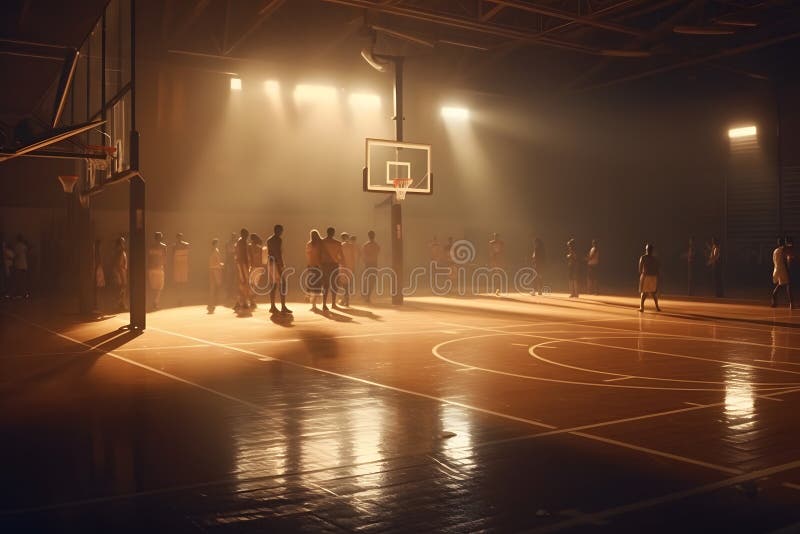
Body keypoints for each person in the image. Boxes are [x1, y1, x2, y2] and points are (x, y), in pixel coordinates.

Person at [266, 224, 292, 314]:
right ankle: (283, 306)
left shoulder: (269, 239)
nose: (282, 232)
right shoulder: (278, 240)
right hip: (275, 263)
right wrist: (281, 265)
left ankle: (273, 306)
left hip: (270, 263)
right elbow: (278, 253)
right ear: (278, 231)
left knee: (273, 285)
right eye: (281, 230)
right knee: (283, 284)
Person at [320, 227, 342, 312]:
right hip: (334, 265)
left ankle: (324, 304)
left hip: (325, 265)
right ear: (333, 233)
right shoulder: (338, 243)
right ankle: (333, 303)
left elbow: (319, 254)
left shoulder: (322, 242)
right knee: (334, 284)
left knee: (325, 284)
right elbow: (341, 256)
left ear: (327, 232)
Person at [638, 243, 661, 312]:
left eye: (650, 249)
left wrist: (657, 276)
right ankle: (642, 307)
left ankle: (657, 307)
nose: (649, 250)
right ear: (646, 249)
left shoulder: (655, 258)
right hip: (646, 277)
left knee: (653, 293)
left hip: (653, 277)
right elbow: (640, 268)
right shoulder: (643, 257)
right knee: (644, 293)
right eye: (648, 249)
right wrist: (643, 275)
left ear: (652, 250)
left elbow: (657, 268)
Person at [147, 232, 167, 309]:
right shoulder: (163, 246)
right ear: (161, 238)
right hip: (158, 269)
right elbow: (164, 259)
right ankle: (155, 302)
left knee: (153, 287)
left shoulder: (150, 247)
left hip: (151, 269)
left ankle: (154, 302)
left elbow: (149, 258)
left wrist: (148, 268)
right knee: (159, 287)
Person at [234, 228, 252, 313]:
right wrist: (246, 265)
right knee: (244, 283)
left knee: (242, 283)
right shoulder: (242, 242)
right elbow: (243, 255)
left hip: (241, 265)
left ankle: (239, 302)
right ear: (243, 234)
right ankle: (243, 302)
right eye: (246, 235)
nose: (247, 237)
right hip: (242, 265)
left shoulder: (239, 242)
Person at [771, 237, 792, 309]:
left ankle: (774, 296)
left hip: (776, 269)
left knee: (780, 284)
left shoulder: (775, 250)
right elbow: (787, 248)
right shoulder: (782, 249)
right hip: (782, 269)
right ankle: (791, 304)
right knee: (788, 284)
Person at [305, 229, 322, 311]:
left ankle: (310, 298)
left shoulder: (309, 244)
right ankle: (313, 302)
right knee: (317, 284)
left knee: (312, 283)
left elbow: (308, 255)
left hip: (311, 265)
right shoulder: (320, 244)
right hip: (319, 266)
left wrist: (308, 265)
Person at [172, 233, 190, 306]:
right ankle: (179, 298)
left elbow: (188, 256)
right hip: (177, 266)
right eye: (178, 237)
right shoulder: (174, 246)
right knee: (178, 283)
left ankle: (181, 298)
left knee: (183, 283)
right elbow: (173, 256)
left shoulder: (186, 245)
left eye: (180, 237)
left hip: (183, 266)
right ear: (177, 238)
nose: (179, 238)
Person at [362, 230, 380, 302]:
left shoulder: (365, 245)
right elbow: (377, 254)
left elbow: (364, 256)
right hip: (374, 264)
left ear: (368, 236)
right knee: (372, 280)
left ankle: (365, 294)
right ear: (374, 236)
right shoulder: (377, 246)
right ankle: (368, 295)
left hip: (368, 264)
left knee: (367, 279)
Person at [208, 238, 224, 313]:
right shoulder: (212, 251)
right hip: (214, 270)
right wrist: (219, 265)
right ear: (214, 244)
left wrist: (219, 265)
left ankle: (213, 302)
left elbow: (217, 261)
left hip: (216, 270)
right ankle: (211, 303)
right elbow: (212, 263)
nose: (218, 244)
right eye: (217, 243)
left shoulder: (216, 250)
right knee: (213, 286)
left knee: (216, 286)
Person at [339, 232, 355, 307]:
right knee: (348, 284)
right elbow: (353, 257)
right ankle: (346, 300)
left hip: (342, 266)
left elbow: (339, 256)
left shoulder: (341, 245)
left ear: (342, 238)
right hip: (350, 266)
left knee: (343, 283)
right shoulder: (351, 246)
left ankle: (345, 299)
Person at [112, 236, 128, 311]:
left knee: (121, 288)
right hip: (120, 271)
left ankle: (121, 304)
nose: (124, 243)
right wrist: (120, 274)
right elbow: (119, 264)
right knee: (121, 288)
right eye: (122, 242)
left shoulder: (118, 251)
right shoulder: (120, 252)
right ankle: (118, 303)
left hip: (120, 271)